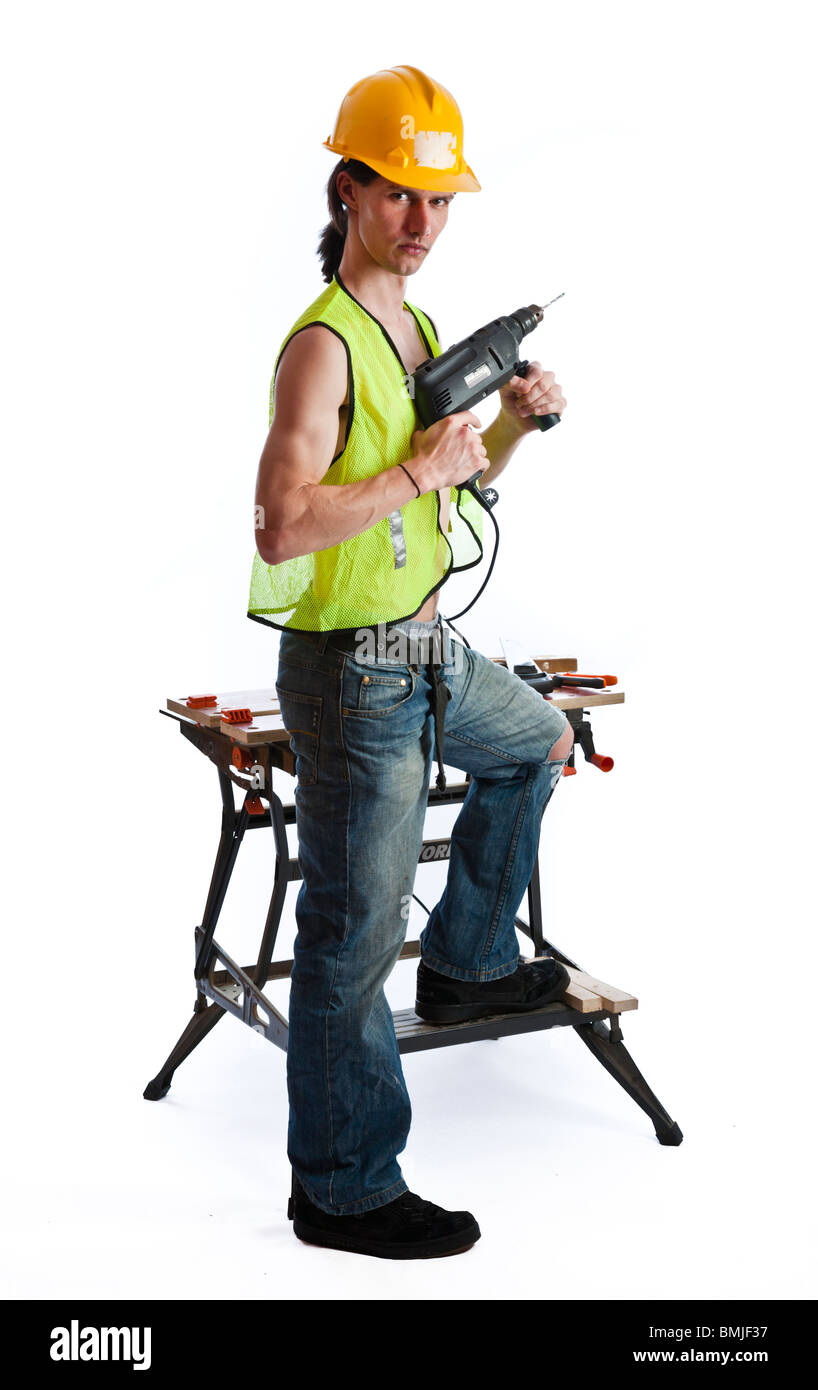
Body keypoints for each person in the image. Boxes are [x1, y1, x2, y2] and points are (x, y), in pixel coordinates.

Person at [250, 65, 573, 1260]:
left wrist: (507, 430)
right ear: (347, 189)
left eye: (437, 200)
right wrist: (415, 474)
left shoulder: (420, 329)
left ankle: (472, 961)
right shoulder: (321, 348)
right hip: (353, 677)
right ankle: (340, 1187)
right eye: (396, 196)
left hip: (429, 649)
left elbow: (455, 481)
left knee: (539, 739)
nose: (421, 222)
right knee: (348, 932)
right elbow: (283, 527)